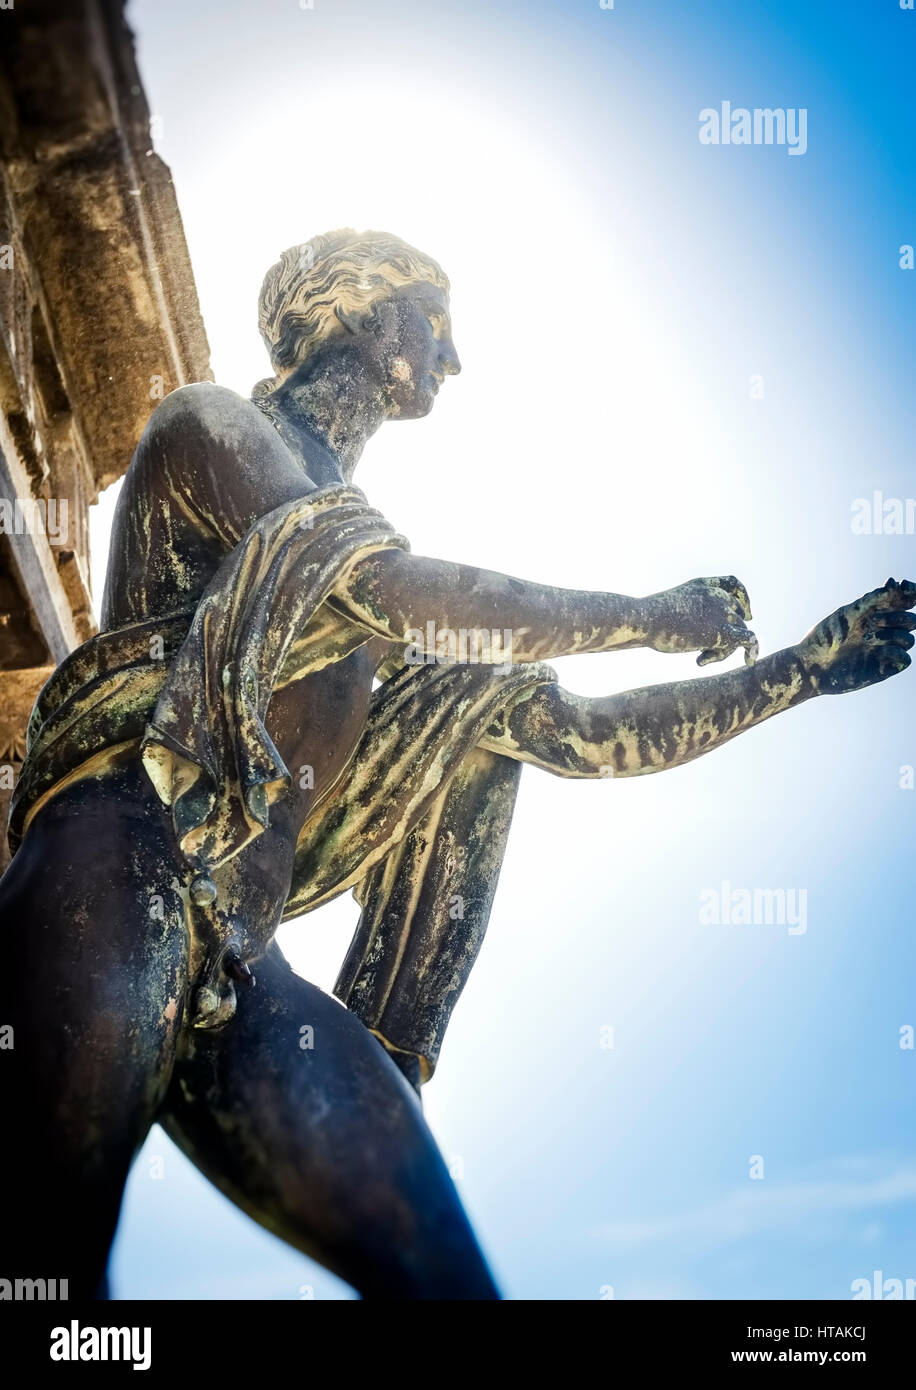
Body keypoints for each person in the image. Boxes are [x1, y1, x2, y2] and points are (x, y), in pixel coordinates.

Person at [1, 229, 912, 1300]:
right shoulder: (209, 428)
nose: (452, 357)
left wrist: (801, 672)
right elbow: (390, 591)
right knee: (45, 1277)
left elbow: (573, 732)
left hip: (248, 960)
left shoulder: (366, 571)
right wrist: (643, 615)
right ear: (354, 309)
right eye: (433, 319)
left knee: (448, 1286)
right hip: (114, 871)